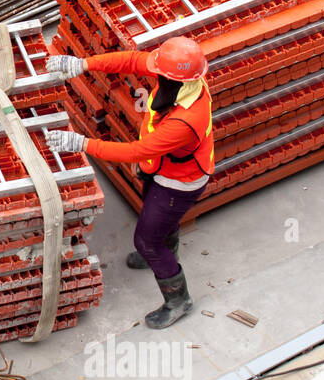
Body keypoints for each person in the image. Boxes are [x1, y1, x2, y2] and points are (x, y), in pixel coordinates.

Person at [45, 37, 213, 329]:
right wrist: (83, 64)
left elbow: (135, 152)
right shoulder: (183, 82)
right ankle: (162, 251)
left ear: (173, 79)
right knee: (159, 223)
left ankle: (178, 300)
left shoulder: (185, 121)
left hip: (178, 183)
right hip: (161, 169)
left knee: (146, 240)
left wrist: (82, 143)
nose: (154, 74)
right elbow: (132, 61)